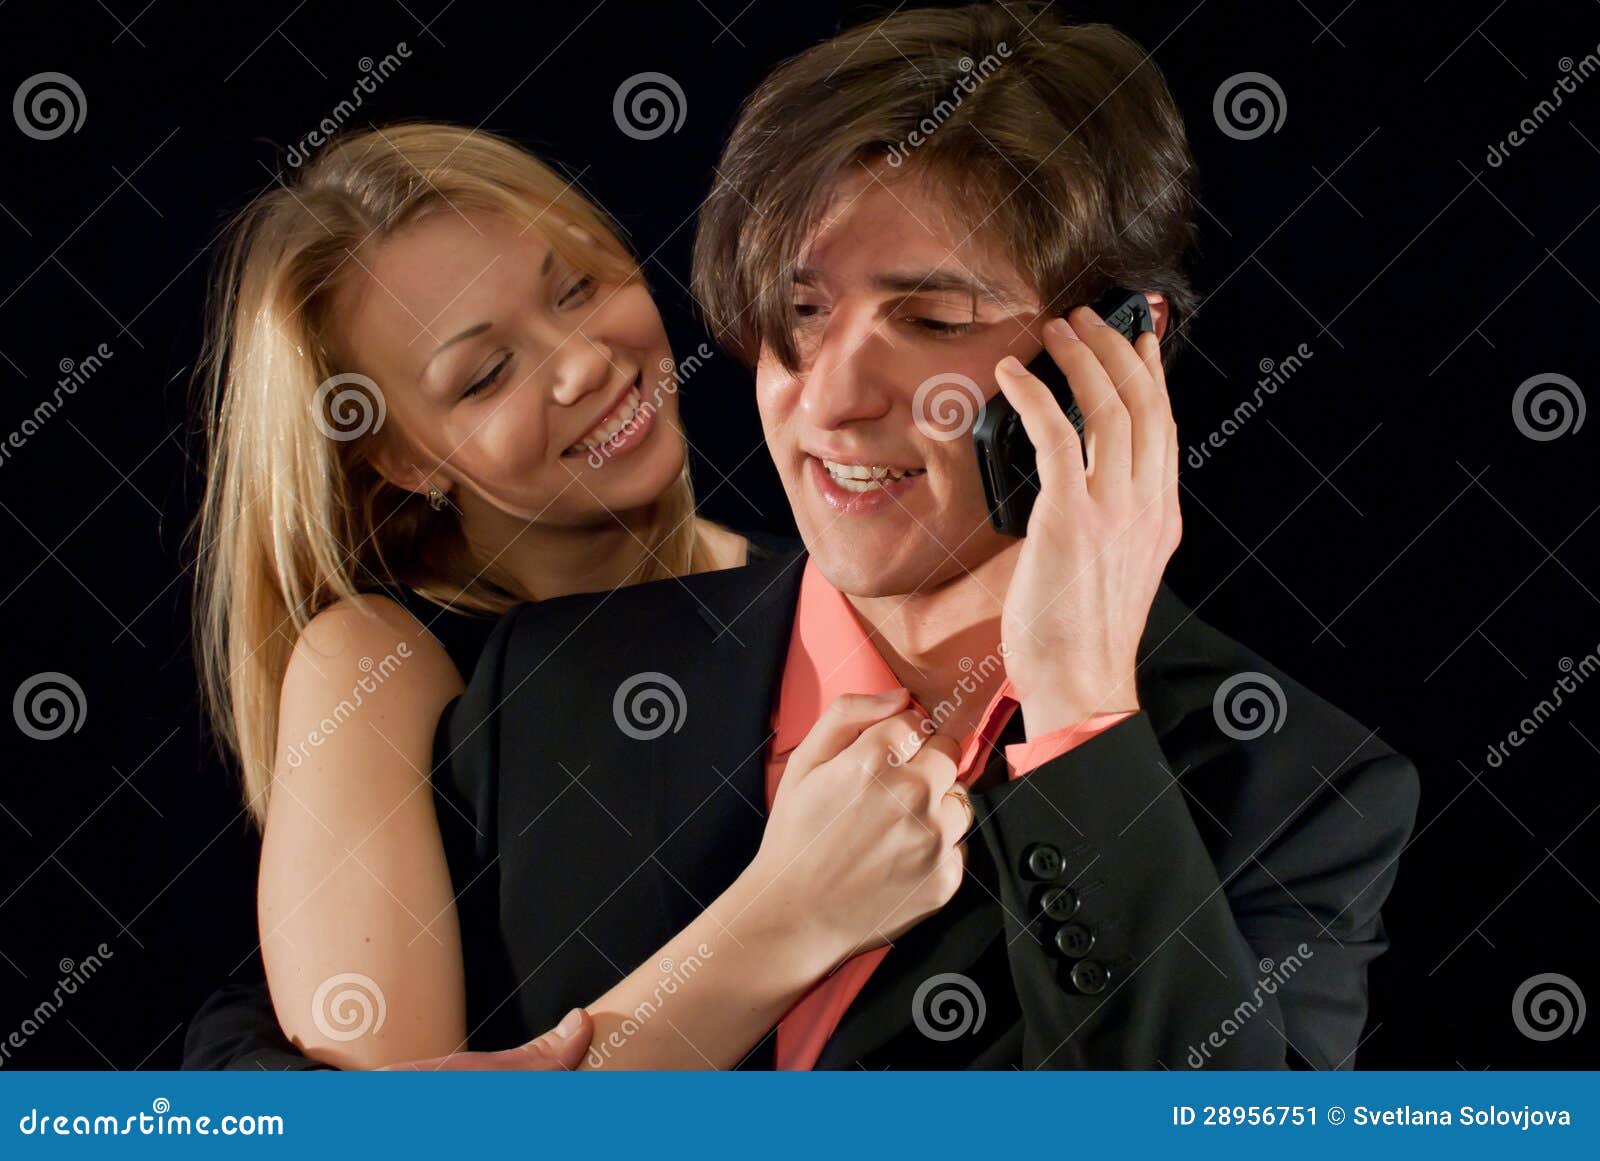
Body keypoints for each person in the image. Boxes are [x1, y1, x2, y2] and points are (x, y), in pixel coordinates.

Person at [189, 1, 1419, 1071]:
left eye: (932, 316)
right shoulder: (514, 687)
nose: (830, 397)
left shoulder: (1300, 791)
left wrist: (1081, 714)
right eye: (799, 310)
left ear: (1112, 347)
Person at [183, 121, 971, 1069]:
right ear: (401, 457)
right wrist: (795, 915)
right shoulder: (377, 663)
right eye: (484, 375)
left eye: (578, 288)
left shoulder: (828, 579)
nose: (584, 362)